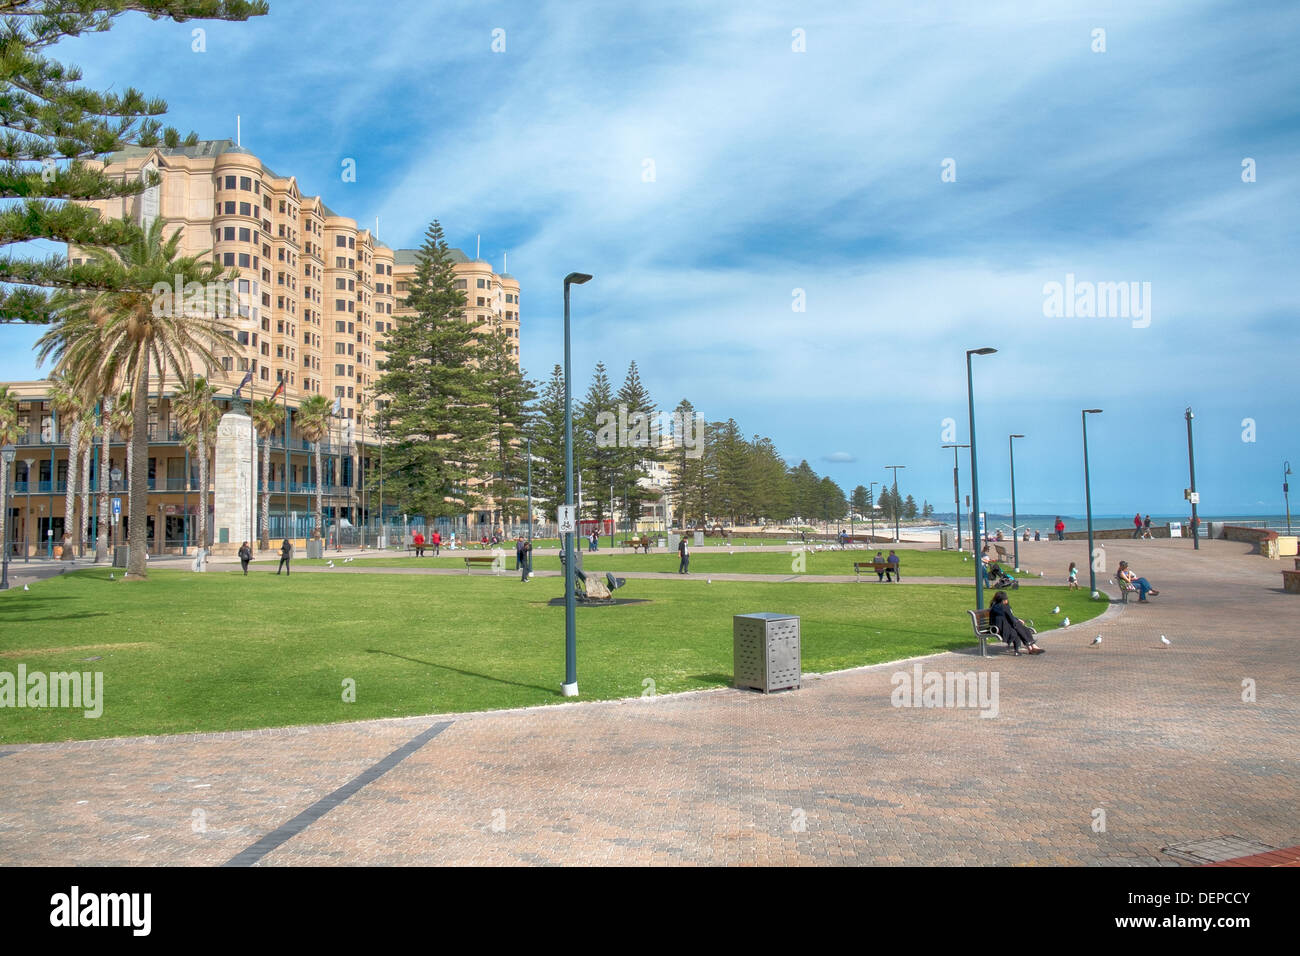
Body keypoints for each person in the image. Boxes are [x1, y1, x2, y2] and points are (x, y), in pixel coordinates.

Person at [989, 590, 1042, 655]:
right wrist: (1017, 621)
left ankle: (1031, 647)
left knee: (1021, 628)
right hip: (1001, 628)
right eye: (1006, 599)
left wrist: (1017, 620)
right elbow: (1010, 618)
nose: (1007, 600)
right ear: (1003, 600)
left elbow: (1007, 617)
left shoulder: (995, 606)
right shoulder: (1004, 607)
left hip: (1001, 626)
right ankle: (1031, 646)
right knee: (1019, 628)